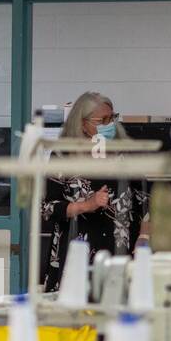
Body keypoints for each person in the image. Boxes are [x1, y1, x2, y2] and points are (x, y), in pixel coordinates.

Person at [40, 91, 151, 292]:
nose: (110, 125)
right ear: (82, 124)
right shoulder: (63, 155)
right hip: (77, 252)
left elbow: (147, 201)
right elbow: (48, 208)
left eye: (112, 118)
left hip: (120, 251)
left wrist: (144, 236)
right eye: (102, 120)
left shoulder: (125, 152)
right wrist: (85, 205)